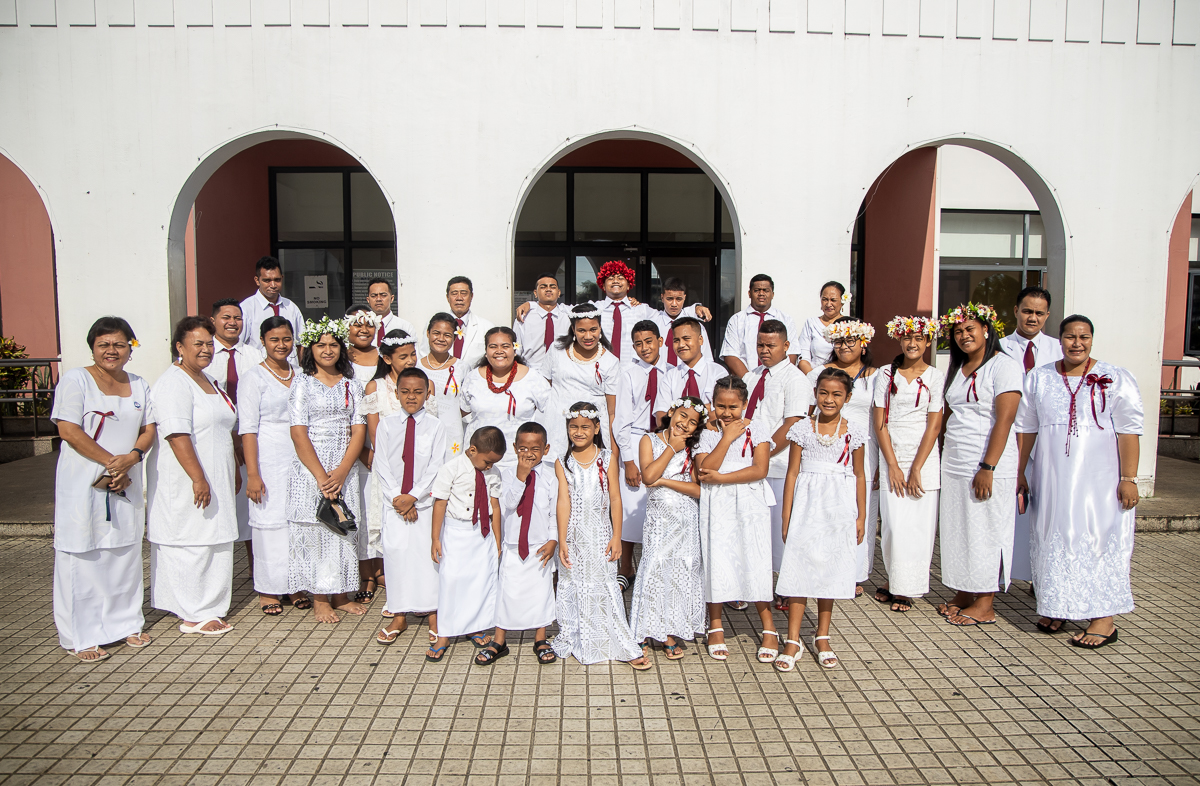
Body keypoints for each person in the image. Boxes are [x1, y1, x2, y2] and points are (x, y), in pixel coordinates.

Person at [1016, 315, 1143, 649]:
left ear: (1092, 339)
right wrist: (1018, 473)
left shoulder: (1116, 378)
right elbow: (1026, 428)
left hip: (1099, 482)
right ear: (1059, 340)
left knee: (1098, 539)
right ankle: (1058, 605)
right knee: (1055, 537)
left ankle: (1103, 618)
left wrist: (1129, 478)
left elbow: (1129, 431)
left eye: (1083, 337)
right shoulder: (1039, 378)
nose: (1077, 343)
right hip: (1053, 477)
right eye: (1070, 336)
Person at [51, 317, 155, 661]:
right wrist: (113, 462)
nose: (112, 351)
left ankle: (125, 624)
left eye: (119, 344)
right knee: (83, 555)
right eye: (104, 345)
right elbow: (69, 430)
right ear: (93, 348)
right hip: (85, 481)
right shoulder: (76, 380)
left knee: (123, 553)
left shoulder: (139, 385)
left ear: (131, 348)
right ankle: (81, 635)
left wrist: (132, 459)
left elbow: (149, 429)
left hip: (125, 479)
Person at [147, 315, 239, 636]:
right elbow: (177, 434)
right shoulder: (174, 382)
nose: (205, 349)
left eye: (209, 343)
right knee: (191, 541)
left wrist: (233, 467)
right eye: (197, 343)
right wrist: (198, 477)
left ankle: (210, 606)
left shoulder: (208, 379)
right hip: (188, 477)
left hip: (218, 475)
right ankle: (192, 612)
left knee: (214, 539)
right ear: (179, 347)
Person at [775, 368, 867, 671]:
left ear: (847, 397)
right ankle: (792, 639)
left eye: (837, 394)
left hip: (838, 507)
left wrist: (861, 516)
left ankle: (822, 635)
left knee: (829, 569)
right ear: (816, 393)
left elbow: (859, 475)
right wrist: (786, 515)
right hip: (807, 504)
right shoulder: (803, 428)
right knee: (800, 568)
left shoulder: (854, 431)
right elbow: (792, 473)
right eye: (824, 393)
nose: (829, 399)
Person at [938, 303, 1023, 627]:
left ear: (987, 330)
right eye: (958, 331)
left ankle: (985, 601)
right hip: (956, 461)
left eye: (969, 329)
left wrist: (988, 467)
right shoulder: (958, 368)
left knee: (987, 529)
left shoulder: (1003, 366)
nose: (963, 336)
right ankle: (964, 591)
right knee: (958, 529)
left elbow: (1005, 419)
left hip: (987, 461)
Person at [551, 403, 651, 669]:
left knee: (603, 584)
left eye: (585, 427)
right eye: (574, 427)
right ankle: (580, 637)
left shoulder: (607, 458)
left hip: (600, 532)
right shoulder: (563, 461)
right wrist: (562, 539)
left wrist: (617, 536)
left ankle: (615, 640)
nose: (579, 432)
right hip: (574, 534)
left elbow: (616, 499)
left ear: (596, 428)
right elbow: (563, 502)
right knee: (576, 583)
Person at [287, 316, 368, 624]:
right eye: (321, 345)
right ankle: (320, 597)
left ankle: (341, 594)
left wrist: (343, 469)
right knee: (317, 526)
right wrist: (322, 476)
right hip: (312, 467)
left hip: (343, 466)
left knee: (341, 524)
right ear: (311, 349)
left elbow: (358, 430)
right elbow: (298, 432)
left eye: (334, 345)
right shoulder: (302, 383)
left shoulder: (352, 385)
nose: (328, 350)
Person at [694, 377, 777, 663]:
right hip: (718, 504)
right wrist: (726, 437)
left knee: (755, 558)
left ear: (744, 404)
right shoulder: (707, 433)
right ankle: (715, 624)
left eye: (733, 407)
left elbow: (760, 469)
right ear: (712, 405)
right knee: (718, 558)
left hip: (751, 501)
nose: (727, 413)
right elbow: (705, 469)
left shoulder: (759, 429)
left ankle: (768, 627)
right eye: (720, 406)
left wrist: (724, 478)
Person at [872, 317, 945, 613]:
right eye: (906, 338)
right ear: (899, 340)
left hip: (923, 457)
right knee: (893, 525)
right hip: (892, 453)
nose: (912, 344)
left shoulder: (935, 377)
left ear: (928, 342)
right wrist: (892, 464)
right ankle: (894, 581)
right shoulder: (885, 374)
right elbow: (880, 423)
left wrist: (916, 468)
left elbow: (934, 424)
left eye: (918, 338)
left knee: (919, 525)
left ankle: (908, 588)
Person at [373, 367, 449, 645]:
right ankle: (399, 613)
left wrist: (414, 496)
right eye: (405, 391)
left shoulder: (436, 426)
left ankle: (433, 613)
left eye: (418, 392)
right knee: (396, 556)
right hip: (394, 503)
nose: (411, 397)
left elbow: (435, 466)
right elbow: (381, 463)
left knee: (426, 558)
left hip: (424, 503)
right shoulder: (387, 424)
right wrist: (399, 498)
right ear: (396, 393)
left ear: (428, 393)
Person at [629, 398, 707, 662]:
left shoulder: (693, 448)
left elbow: (697, 489)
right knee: (654, 568)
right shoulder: (649, 440)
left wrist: (666, 481)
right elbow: (648, 477)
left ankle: (669, 632)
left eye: (692, 422)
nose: (684, 423)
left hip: (686, 519)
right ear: (671, 412)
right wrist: (671, 449)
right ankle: (642, 630)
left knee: (679, 572)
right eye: (681, 415)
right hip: (660, 521)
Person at [805, 317, 879, 598]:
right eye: (839, 341)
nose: (845, 346)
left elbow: (880, 417)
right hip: (826, 447)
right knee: (825, 507)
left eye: (851, 340)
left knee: (860, 509)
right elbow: (808, 412)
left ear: (863, 343)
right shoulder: (818, 373)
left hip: (862, 448)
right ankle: (822, 568)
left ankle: (855, 572)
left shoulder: (876, 375)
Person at [239, 316, 306, 615]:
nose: (281, 345)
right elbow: (248, 429)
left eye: (286, 339)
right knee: (270, 522)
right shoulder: (253, 378)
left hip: (299, 454)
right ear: (263, 341)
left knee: (295, 520)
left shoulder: (302, 374)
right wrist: (253, 473)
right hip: (268, 454)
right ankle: (268, 588)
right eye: (274, 339)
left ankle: (294, 583)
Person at [741, 320, 813, 592]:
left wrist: (764, 453)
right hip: (748, 466)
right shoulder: (751, 376)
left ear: (785, 346)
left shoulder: (795, 379)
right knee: (753, 531)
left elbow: (792, 423)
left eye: (771, 345)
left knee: (780, 532)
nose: (764, 350)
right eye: (760, 344)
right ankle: (754, 585)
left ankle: (785, 586)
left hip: (778, 467)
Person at [998, 286, 1063, 585]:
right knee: (1008, 509)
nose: (1032, 318)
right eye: (1027, 311)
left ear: (1047, 316)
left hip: (1046, 443)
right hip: (1006, 438)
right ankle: (1004, 573)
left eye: (1039, 313)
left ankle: (1041, 577)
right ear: (1015, 311)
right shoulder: (997, 347)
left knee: (1046, 511)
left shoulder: (1059, 350)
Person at [482, 421, 560, 666]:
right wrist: (521, 476)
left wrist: (553, 539)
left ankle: (540, 637)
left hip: (539, 545)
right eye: (523, 448)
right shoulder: (505, 473)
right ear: (515, 447)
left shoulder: (550, 476)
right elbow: (508, 505)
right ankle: (500, 639)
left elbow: (554, 512)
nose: (529, 454)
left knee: (541, 593)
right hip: (514, 545)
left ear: (545, 449)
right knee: (507, 591)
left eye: (535, 449)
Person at [427, 426, 506, 662]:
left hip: (482, 534)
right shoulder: (451, 469)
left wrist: (498, 539)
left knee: (479, 580)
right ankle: (445, 633)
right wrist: (435, 538)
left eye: (494, 463)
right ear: (472, 450)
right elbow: (440, 503)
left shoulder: (493, 473)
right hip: (456, 531)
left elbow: (495, 507)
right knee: (451, 580)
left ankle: (474, 625)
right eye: (487, 461)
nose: (489, 466)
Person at [612, 320, 668, 588]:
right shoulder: (628, 373)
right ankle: (626, 568)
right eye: (638, 343)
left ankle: (653, 568)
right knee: (632, 509)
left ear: (660, 340)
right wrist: (628, 459)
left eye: (649, 341)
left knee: (659, 506)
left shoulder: (672, 372)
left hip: (664, 441)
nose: (644, 348)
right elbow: (621, 418)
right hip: (635, 439)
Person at [207, 298, 263, 565]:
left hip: (251, 440)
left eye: (237, 318)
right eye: (226, 317)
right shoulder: (205, 355)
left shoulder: (254, 355)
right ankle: (221, 570)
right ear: (213, 321)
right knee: (219, 508)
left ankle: (255, 570)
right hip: (216, 440)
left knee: (251, 508)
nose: (232, 323)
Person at [459, 326, 551, 472]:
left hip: (518, 462)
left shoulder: (533, 379)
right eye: (493, 346)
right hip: (479, 462)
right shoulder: (473, 378)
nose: (499, 351)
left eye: (505, 346)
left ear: (515, 349)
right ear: (486, 350)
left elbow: (550, 414)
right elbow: (464, 413)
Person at [344, 306, 385, 600]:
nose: (363, 330)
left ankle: (381, 568)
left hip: (380, 442)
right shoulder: (340, 358)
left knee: (377, 508)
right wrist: (358, 451)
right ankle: (363, 573)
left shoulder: (383, 356)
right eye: (357, 325)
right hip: (350, 443)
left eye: (368, 325)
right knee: (359, 508)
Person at [543, 303, 620, 457]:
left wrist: (614, 453)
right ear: (573, 329)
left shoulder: (610, 361)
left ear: (600, 328)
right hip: (557, 427)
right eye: (581, 330)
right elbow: (545, 386)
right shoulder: (556, 349)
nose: (588, 336)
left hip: (591, 433)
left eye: (593, 329)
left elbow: (612, 412)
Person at [720, 274, 798, 377]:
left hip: (777, 380)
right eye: (757, 290)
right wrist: (750, 382)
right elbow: (730, 356)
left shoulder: (786, 319)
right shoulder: (737, 320)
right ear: (749, 293)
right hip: (745, 382)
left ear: (772, 294)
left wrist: (776, 378)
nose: (761, 294)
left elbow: (791, 353)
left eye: (766, 290)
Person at [654, 317, 726, 421]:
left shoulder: (718, 373)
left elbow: (721, 415)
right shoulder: (670, 377)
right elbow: (661, 418)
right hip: (676, 436)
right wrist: (704, 410)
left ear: (700, 340)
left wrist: (676, 413)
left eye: (686, 338)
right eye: (676, 340)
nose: (681, 345)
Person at [418, 276, 494, 369]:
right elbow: (424, 354)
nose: (459, 298)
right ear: (447, 297)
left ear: (471, 296)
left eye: (464, 293)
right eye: (454, 293)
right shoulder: (434, 324)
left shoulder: (486, 327)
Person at [419, 313, 466, 457]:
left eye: (447, 335)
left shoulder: (462, 367)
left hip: (452, 436)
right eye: (436, 333)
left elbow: (466, 405)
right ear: (428, 333)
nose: (441, 339)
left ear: (454, 337)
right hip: (421, 434)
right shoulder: (415, 366)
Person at [592, 261, 656, 363]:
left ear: (628, 285)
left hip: (632, 369)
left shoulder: (641, 309)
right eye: (610, 278)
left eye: (620, 278)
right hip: (601, 369)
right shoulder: (594, 309)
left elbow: (666, 318)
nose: (615, 281)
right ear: (603, 286)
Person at [239, 256, 304, 353]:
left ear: (282, 278)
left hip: (289, 366)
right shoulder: (246, 308)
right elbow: (239, 344)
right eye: (267, 280)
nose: (273, 285)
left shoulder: (291, 307)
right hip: (259, 366)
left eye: (277, 280)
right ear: (257, 280)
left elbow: (301, 344)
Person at [512, 273, 572, 373]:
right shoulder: (524, 317)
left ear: (558, 292)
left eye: (552, 287)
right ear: (535, 293)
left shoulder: (568, 316)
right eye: (543, 287)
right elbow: (517, 345)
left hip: (562, 370)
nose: (548, 289)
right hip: (531, 370)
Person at [650, 277, 714, 366]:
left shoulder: (695, 326)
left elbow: (707, 359)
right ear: (662, 297)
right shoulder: (653, 324)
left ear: (684, 298)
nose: (674, 304)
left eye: (679, 299)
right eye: (669, 299)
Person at [796, 281, 849, 375]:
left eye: (833, 300)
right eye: (825, 299)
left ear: (842, 301)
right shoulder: (811, 323)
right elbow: (803, 358)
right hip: (813, 375)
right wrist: (813, 378)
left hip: (841, 377)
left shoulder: (849, 325)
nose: (828, 304)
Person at [364, 277, 415, 347]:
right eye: (374, 296)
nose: (378, 299)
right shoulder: (362, 328)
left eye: (383, 295)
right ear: (368, 300)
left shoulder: (405, 327)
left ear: (391, 298)